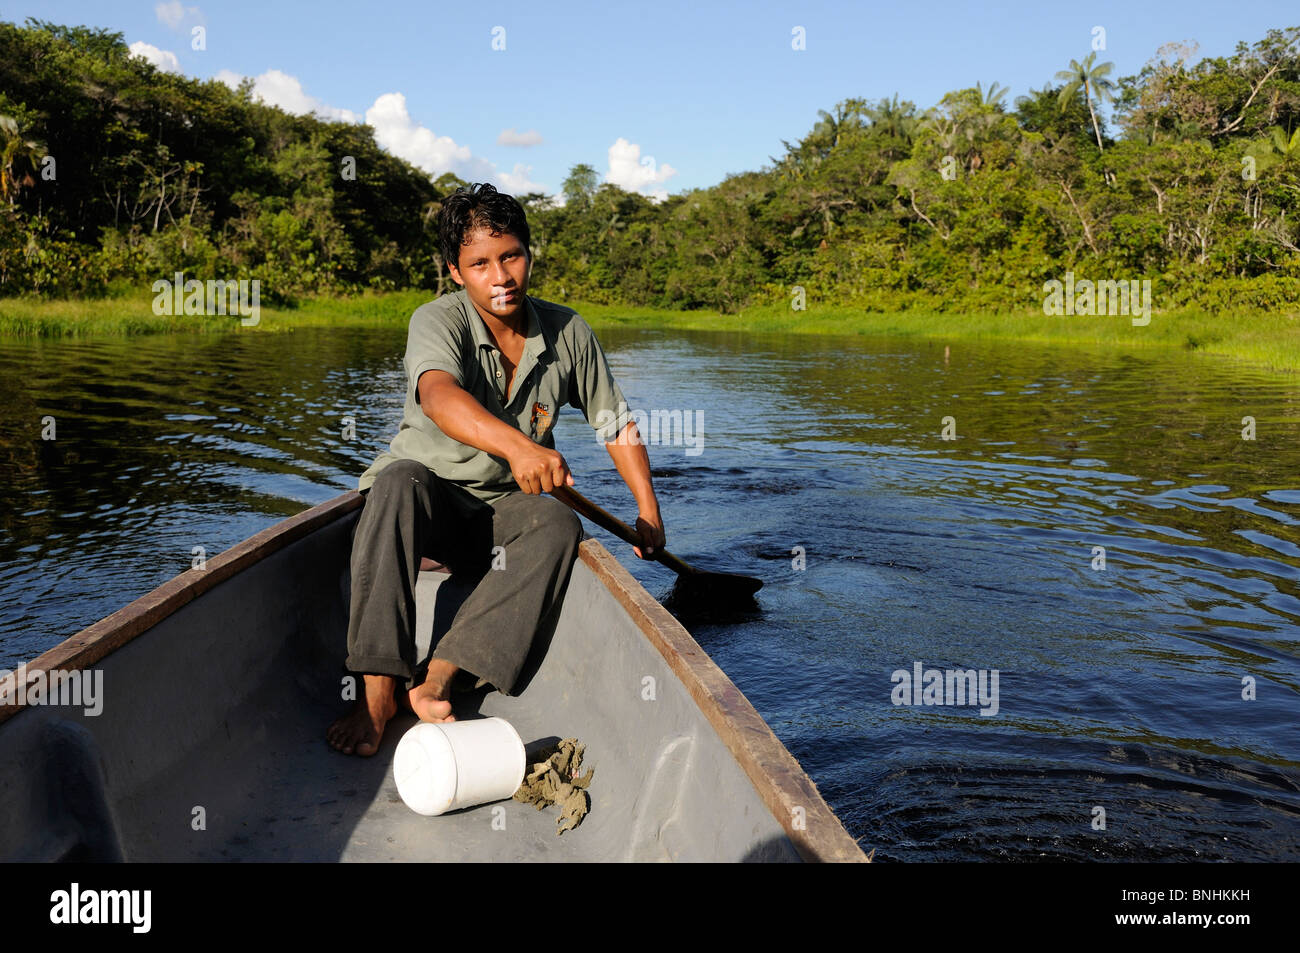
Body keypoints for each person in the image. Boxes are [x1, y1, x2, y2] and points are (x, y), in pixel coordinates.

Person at [327, 182, 665, 756]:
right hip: (426, 505)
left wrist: (649, 512)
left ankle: (440, 673)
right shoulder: (438, 320)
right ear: (457, 273)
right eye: (479, 263)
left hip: (497, 520)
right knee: (395, 483)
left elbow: (615, 424)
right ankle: (377, 691)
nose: (500, 275)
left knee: (557, 525)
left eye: (510, 255)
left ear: (529, 254)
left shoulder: (568, 332)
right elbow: (437, 395)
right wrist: (520, 447)